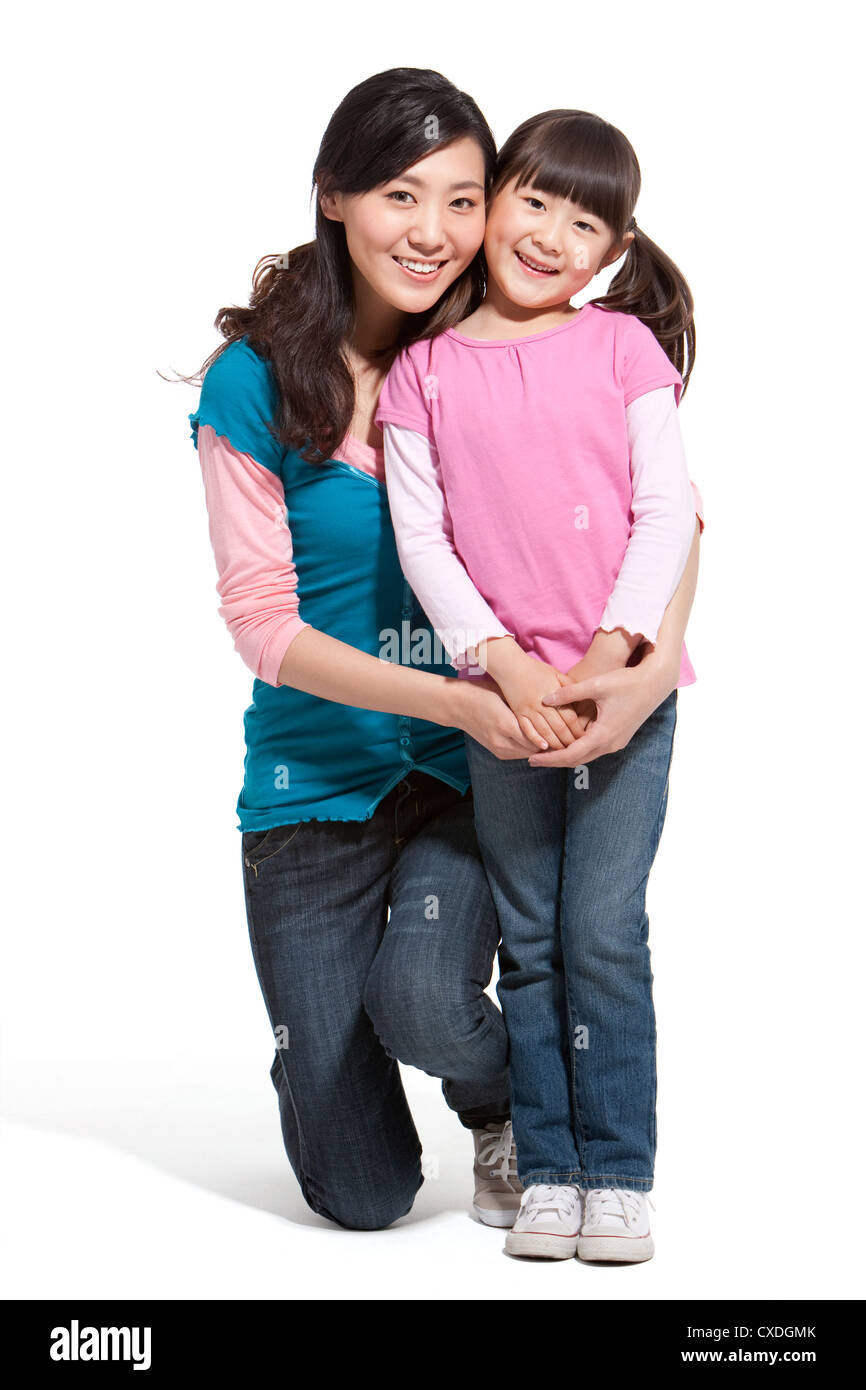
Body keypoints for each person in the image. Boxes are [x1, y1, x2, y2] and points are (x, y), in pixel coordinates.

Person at [376, 107, 704, 1261]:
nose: (553, 234)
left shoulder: (620, 348)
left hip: (622, 694)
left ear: (612, 248)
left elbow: (666, 508)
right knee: (530, 932)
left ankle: (617, 1170)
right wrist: (502, 662)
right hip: (502, 696)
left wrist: (616, 654)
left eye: (586, 221)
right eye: (534, 202)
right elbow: (424, 541)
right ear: (491, 203)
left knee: (600, 927)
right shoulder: (420, 371)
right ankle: (549, 1167)